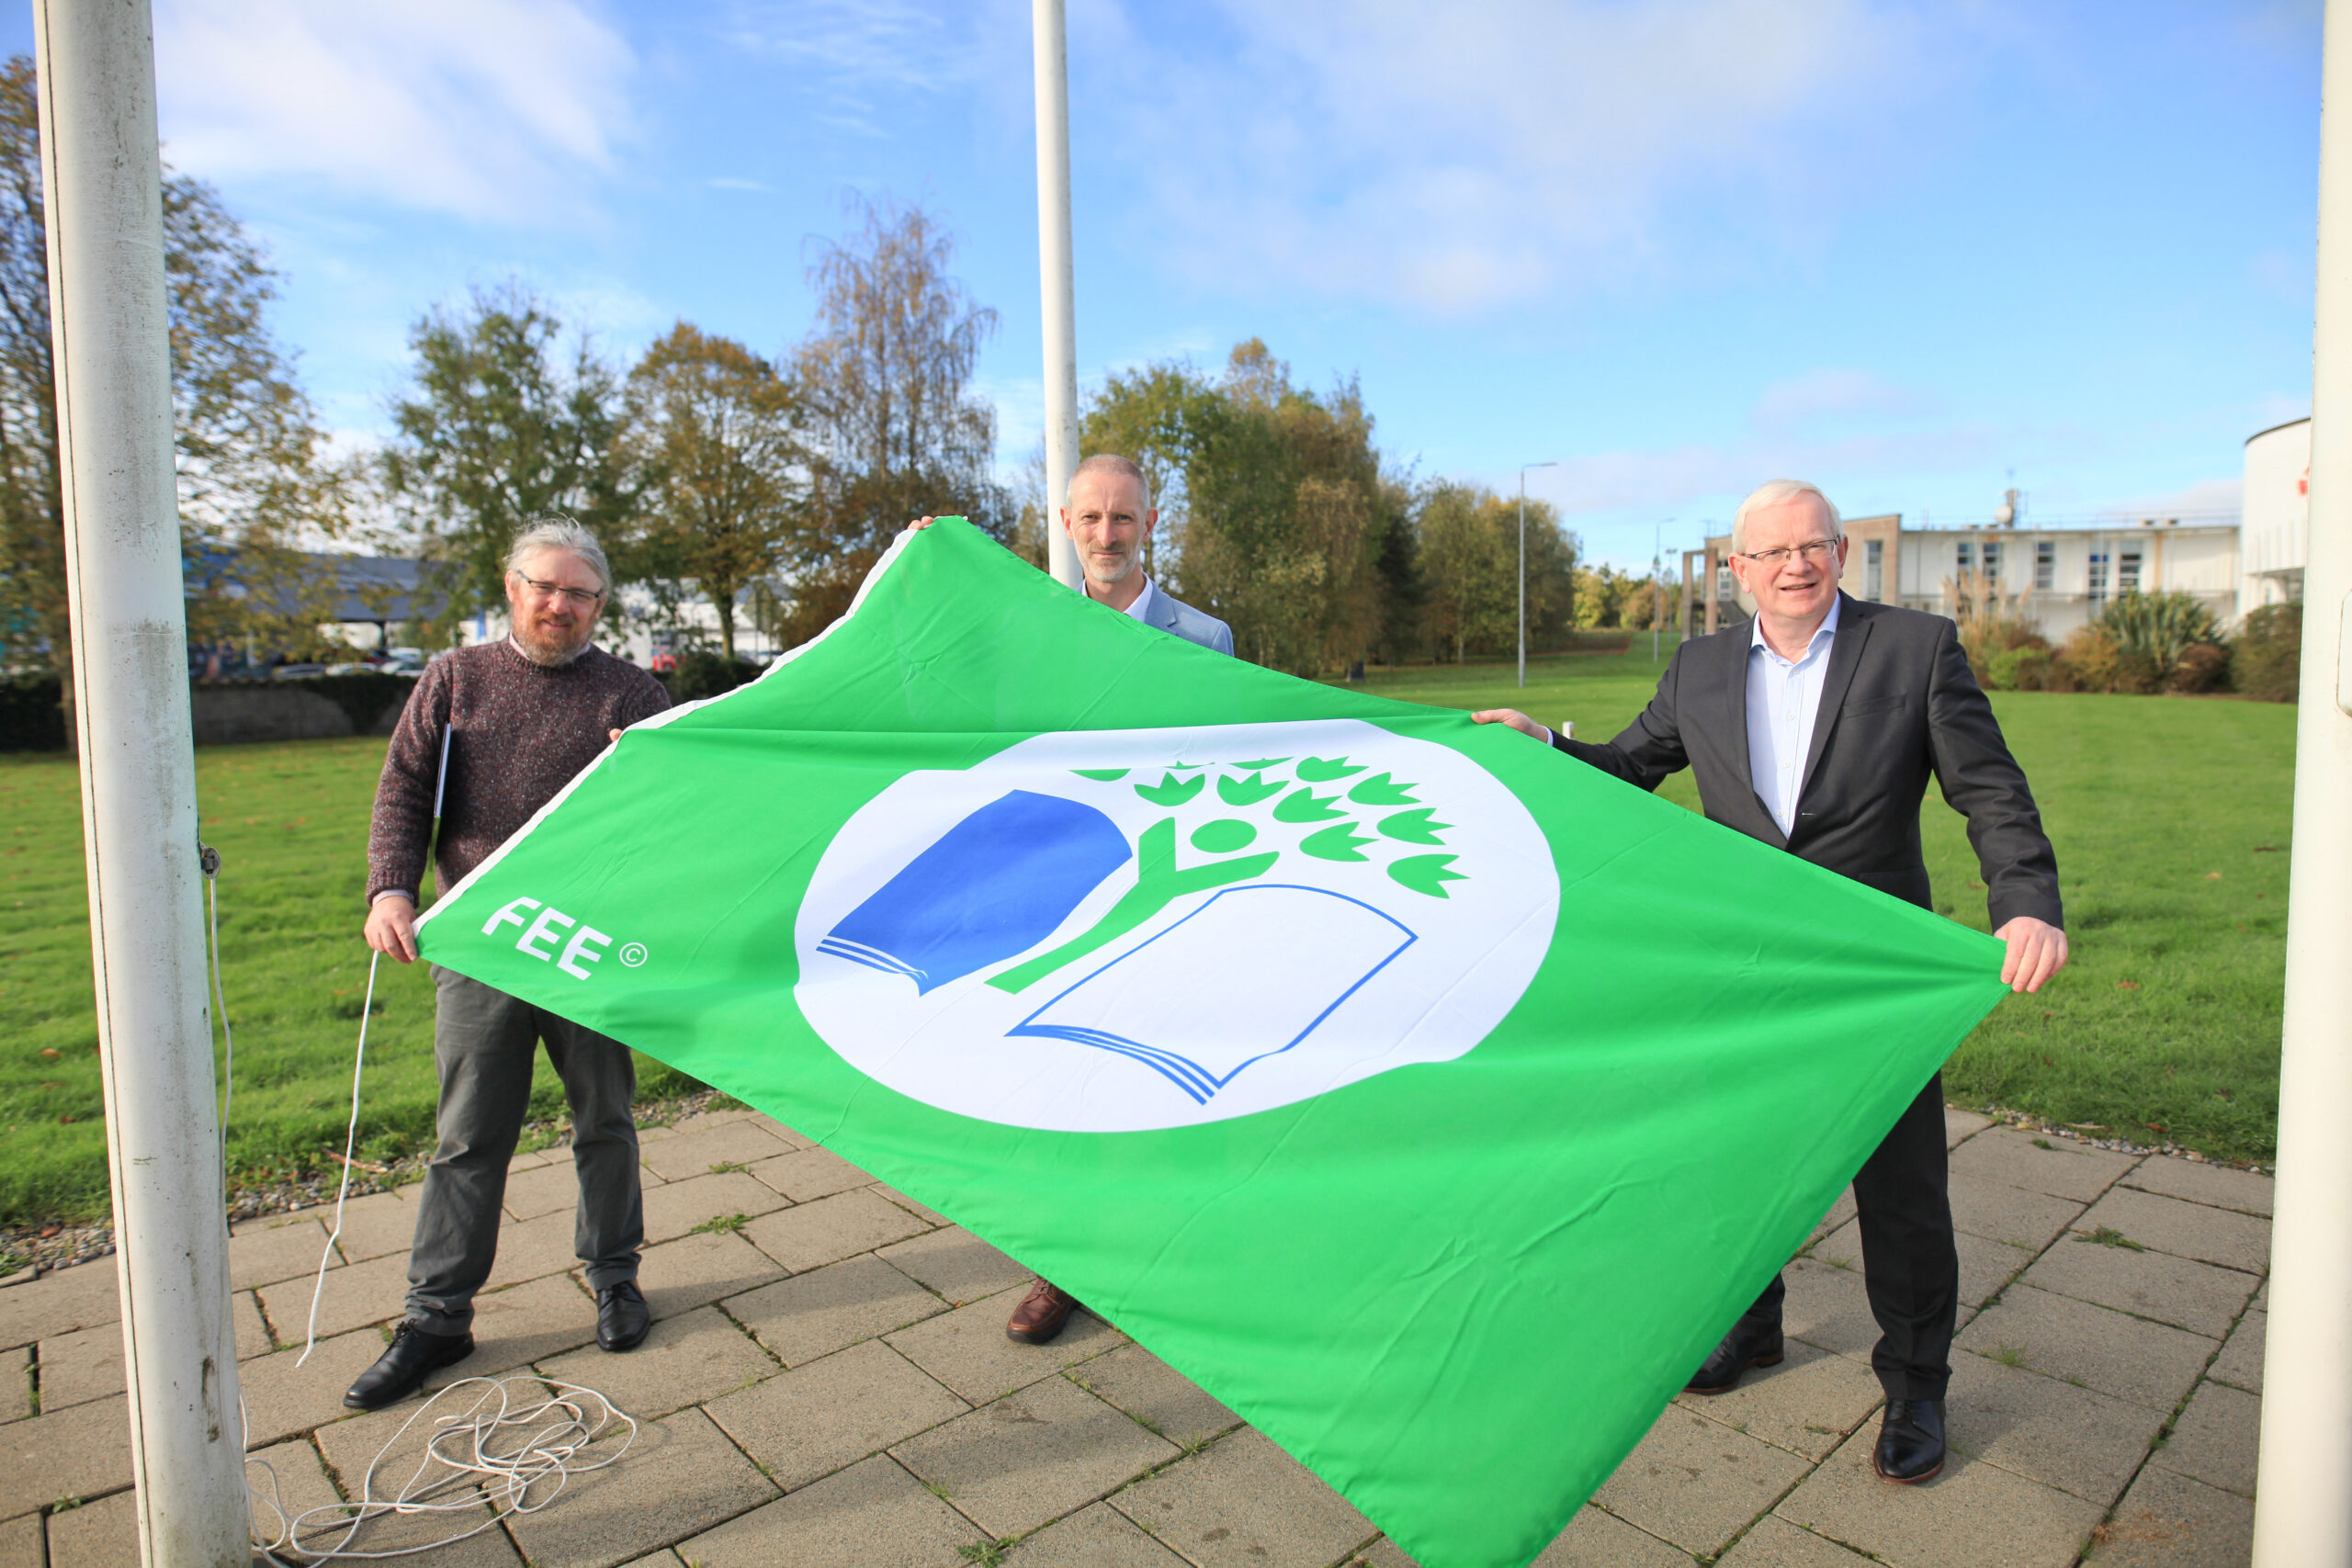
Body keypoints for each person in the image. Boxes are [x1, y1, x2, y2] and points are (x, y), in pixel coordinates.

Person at [1474, 478, 2066, 1485]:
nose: (1797, 564)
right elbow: (1629, 769)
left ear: (1841, 553)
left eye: (1815, 545)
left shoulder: (1914, 650)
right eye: (1774, 551)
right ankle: (1752, 1327)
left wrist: (2026, 899)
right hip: (1744, 972)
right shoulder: (1701, 668)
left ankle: (1916, 1385)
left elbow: (1989, 790)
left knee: (1902, 1189)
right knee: (1738, 1164)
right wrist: (1545, 747)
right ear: (1735, 568)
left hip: (1874, 979)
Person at [345, 517, 673, 1411]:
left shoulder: (632, 696)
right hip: (480, 942)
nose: (558, 605)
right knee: (467, 1137)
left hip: (584, 950)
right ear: (511, 585)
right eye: (544, 586)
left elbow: (668, 827)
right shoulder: (454, 679)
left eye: (579, 594)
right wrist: (389, 891)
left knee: (604, 1119)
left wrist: (640, 780)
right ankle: (437, 1316)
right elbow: (404, 791)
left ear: (601, 606)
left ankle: (614, 1275)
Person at [909, 453, 1234, 1344]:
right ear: (1062, 522)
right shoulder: (1028, 632)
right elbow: (937, 689)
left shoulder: (1207, 639)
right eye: (1088, 519)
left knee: (1164, 1078)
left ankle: (1170, 1259)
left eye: (1121, 518)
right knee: (1062, 1079)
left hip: (1164, 886)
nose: (1104, 535)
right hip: (1057, 886)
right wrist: (918, 563)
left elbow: (1232, 763)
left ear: (1150, 523)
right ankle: (1066, 1267)